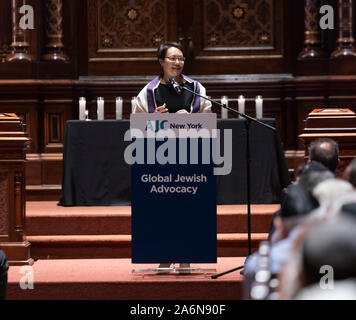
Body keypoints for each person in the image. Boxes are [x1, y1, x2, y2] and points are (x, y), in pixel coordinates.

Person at [133, 42, 212, 114]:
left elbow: (208, 123)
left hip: (190, 130)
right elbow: (137, 126)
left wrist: (190, 119)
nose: (177, 63)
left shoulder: (196, 88)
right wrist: (154, 119)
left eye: (181, 59)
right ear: (161, 62)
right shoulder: (148, 91)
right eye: (173, 58)